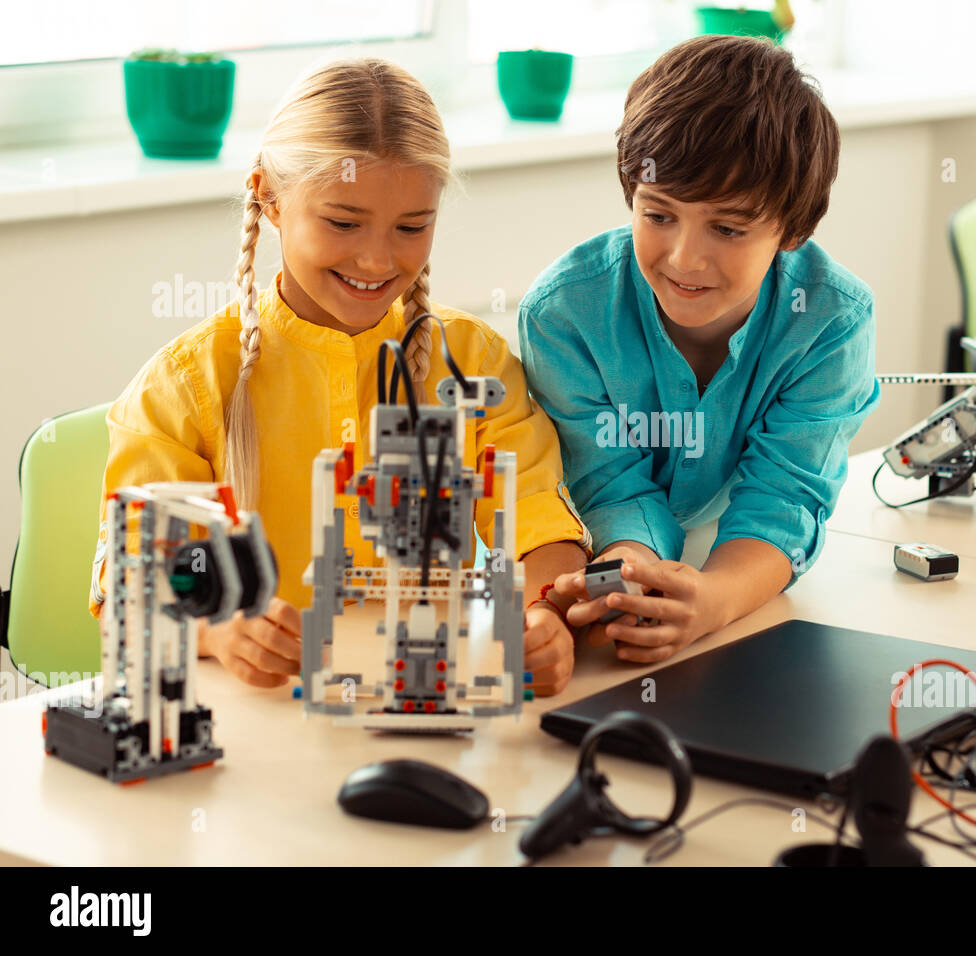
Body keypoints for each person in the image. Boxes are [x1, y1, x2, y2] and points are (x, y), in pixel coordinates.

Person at [90, 58, 590, 695]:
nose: (378, 259)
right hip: (257, 736)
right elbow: (130, 590)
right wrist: (216, 633)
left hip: (426, 713)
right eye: (342, 222)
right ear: (269, 198)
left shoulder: (475, 363)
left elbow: (539, 520)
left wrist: (543, 613)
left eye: (412, 227)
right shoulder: (184, 386)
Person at [519, 36, 881, 665]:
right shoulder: (563, 313)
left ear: (793, 229)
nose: (685, 258)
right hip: (590, 540)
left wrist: (710, 600)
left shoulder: (831, 322)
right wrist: (625, 573)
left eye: (728, 228)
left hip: (732, 559)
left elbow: (784, 501)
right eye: (658, 215)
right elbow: (608, 487)